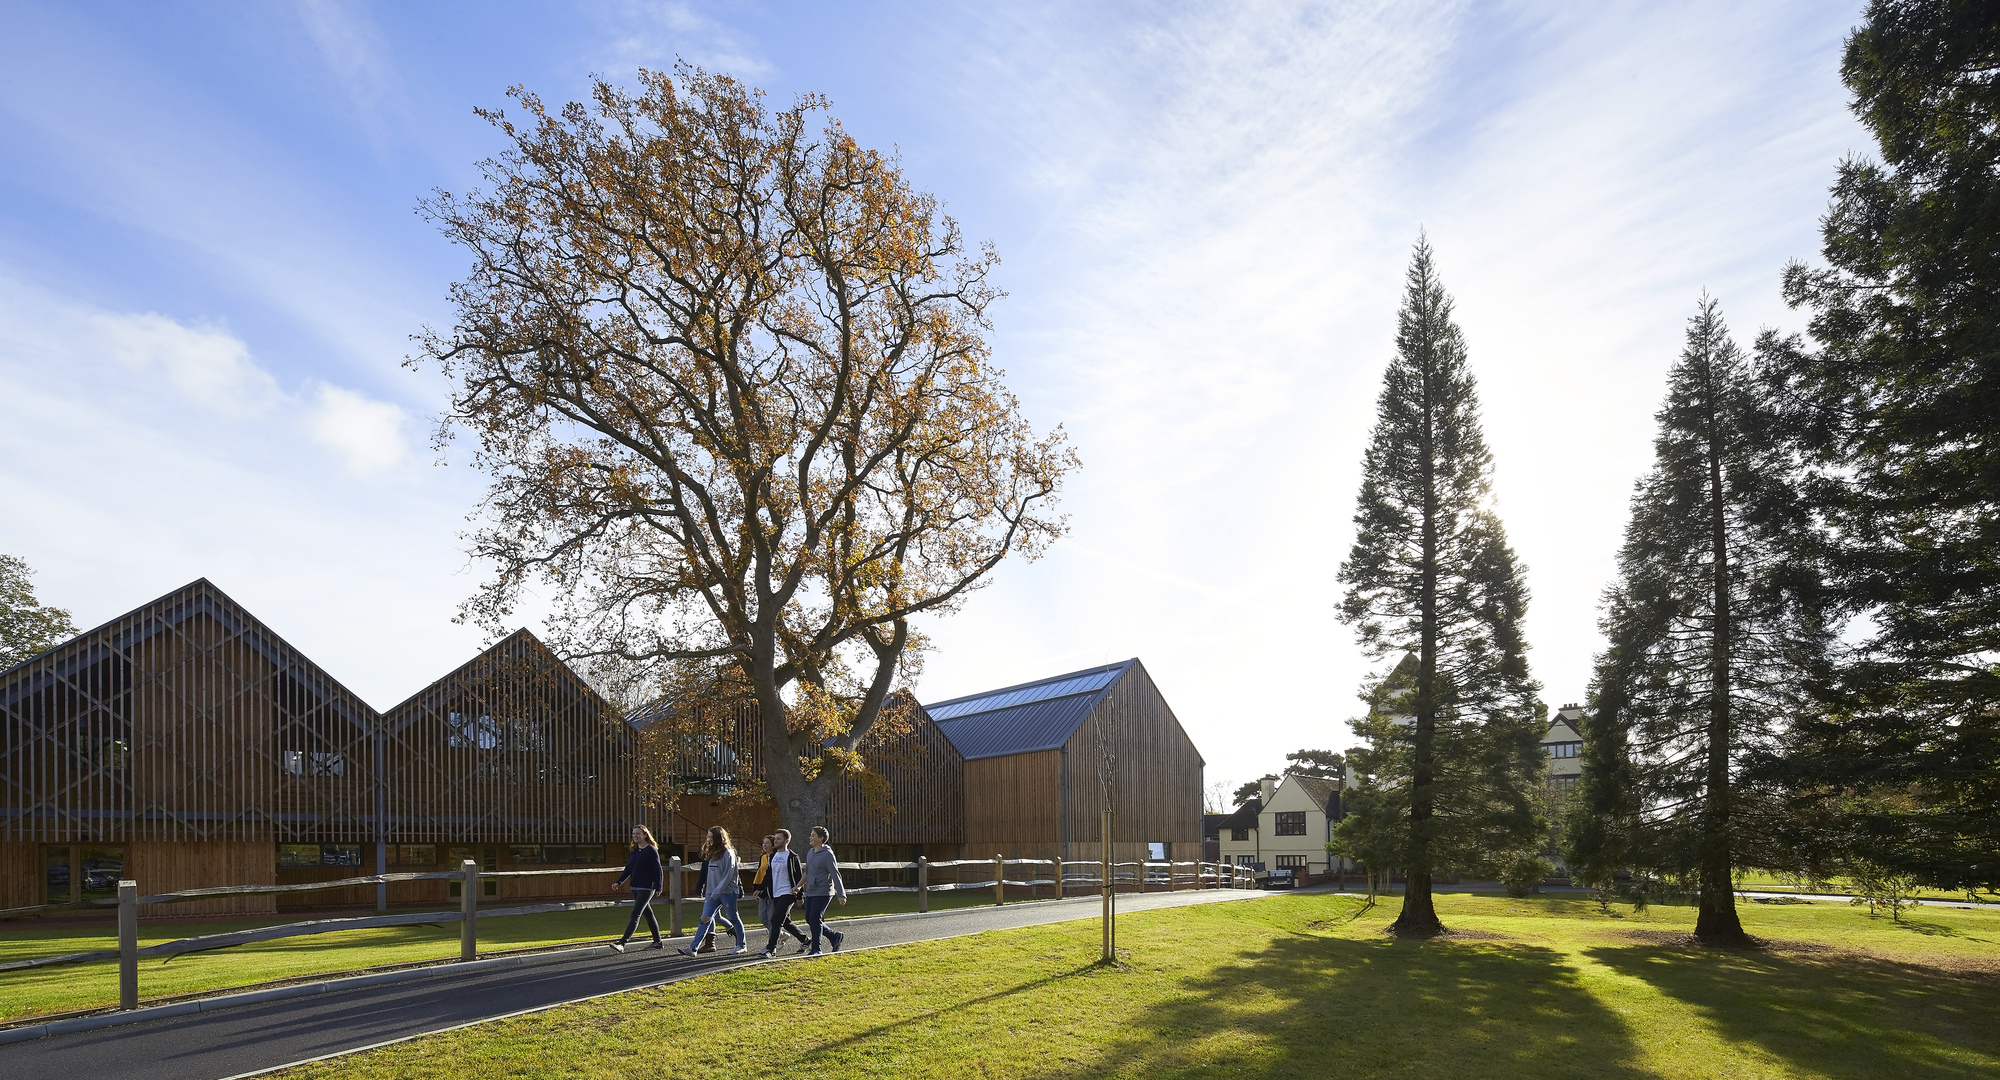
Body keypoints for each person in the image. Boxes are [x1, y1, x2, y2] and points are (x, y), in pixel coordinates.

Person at [680, 826, 747, 956]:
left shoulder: (728, 853)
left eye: (711, 837)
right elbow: (707, 874)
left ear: (719, 838)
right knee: (704, 918)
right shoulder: (711, 853)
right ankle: (693, 948)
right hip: (711, 892)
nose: (708, 839)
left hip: (727, 892)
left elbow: (728, 875)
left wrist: (717, 891)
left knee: (733, 918)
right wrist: (708, 891)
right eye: (708, 836)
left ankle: (741, 945)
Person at [608, 825, 664, 952]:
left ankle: (622, 943)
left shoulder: (651, 850)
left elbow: (658, 869)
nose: (635, 836)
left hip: (646, 888)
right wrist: (619, 882)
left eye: (638, 833)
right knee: (648, 915)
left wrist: (659, 886)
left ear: (645, 835)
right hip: (635, 887)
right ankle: (658, 942)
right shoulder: (634, 851)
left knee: (635, 914)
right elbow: (629, 869)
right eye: (633, 834)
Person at [760, 828, 811, 957]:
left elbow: (798, 876)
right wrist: (760, 890)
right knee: (786, 922)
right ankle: (805, 940)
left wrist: (799, 895)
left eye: (778, 839)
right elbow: (768, 876)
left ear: (786, 841)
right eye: (775, 839)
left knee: (776, 920)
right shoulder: (772, 856)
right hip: (775, 893)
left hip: (788, 893)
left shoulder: (792, 857)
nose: (775, 841)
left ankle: (771, 949)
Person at [800, 825, 848, 955]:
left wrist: (841, 894)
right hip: (810, 890)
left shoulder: (827, 855)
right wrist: (798, 886)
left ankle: (817, 949)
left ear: (821, 838)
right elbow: (807, 872)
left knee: (815, 918)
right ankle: (834, 936)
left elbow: (835, 874)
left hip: (823, 891)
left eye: (813, 835)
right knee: (810, 919)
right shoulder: (810, 853)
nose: (810, 837)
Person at [750, 835, 775, 931]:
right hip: (762, 889)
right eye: (763, 843)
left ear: (773, 845)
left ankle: (773, 941)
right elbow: (760, 874)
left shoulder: (776, 857)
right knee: (762, 917)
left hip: (772, 889)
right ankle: (780, 934)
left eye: (767, 843)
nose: (764, 845)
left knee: (771, 917)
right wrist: (757, 889)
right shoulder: (763, 857)